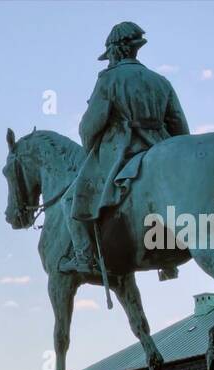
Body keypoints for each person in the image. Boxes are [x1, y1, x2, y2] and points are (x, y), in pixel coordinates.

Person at [63, 22, 190, 276]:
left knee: (69, 200)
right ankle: (168, 261)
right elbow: (180, 128)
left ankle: (85, 257)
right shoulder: (160, 81)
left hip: (122, 151)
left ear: (115, 51)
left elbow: (89, 127)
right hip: (160, 147)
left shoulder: (109, 80)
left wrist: (92, 151)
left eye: (108, 55)